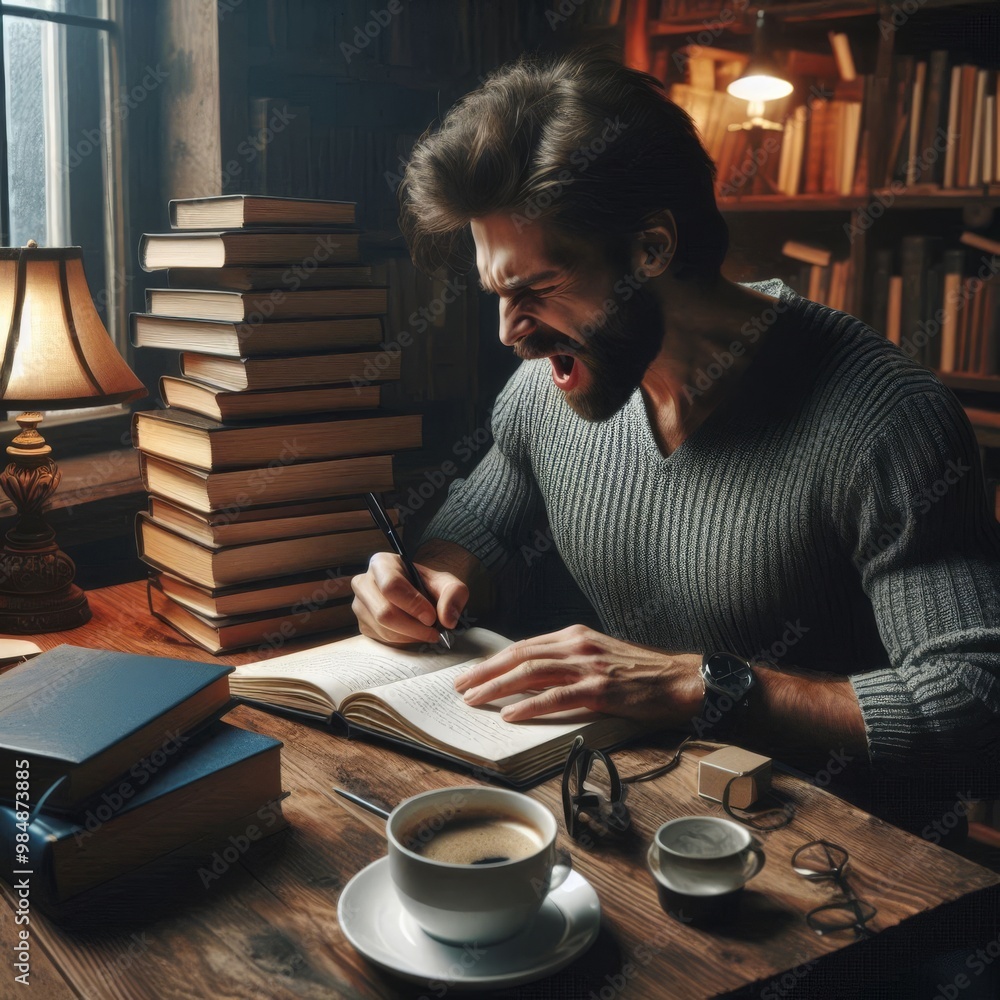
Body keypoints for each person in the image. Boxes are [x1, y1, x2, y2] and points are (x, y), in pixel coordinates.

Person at [350, 48, 1000, 808]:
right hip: (649, 813)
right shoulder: (545, 388)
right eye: (498, 291)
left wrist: (701, 684)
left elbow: (975, 703)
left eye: (540, 289)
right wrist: (423, 581)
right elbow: (477, 529)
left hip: (855, 871)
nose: (509, 333)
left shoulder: (885, 419)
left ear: (653, 247)